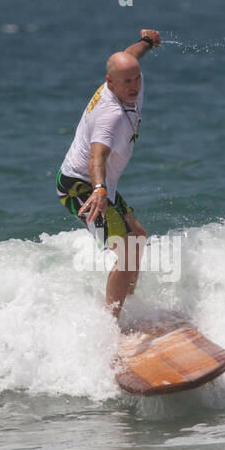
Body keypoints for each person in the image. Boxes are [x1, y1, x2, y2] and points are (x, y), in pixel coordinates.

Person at [57, 29, 161, 317]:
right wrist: (100, 190)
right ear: (110, 82)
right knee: (127, 252)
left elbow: (130, 56)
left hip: (101, 184)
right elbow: (97, 157)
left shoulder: (128, 75)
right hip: (80, 186)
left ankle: (128, 304)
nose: (134, 87)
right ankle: (110, 327)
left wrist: (147, 43)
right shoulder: (111, 115)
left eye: (137, 78)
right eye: (127, 82)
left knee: (137, 237)